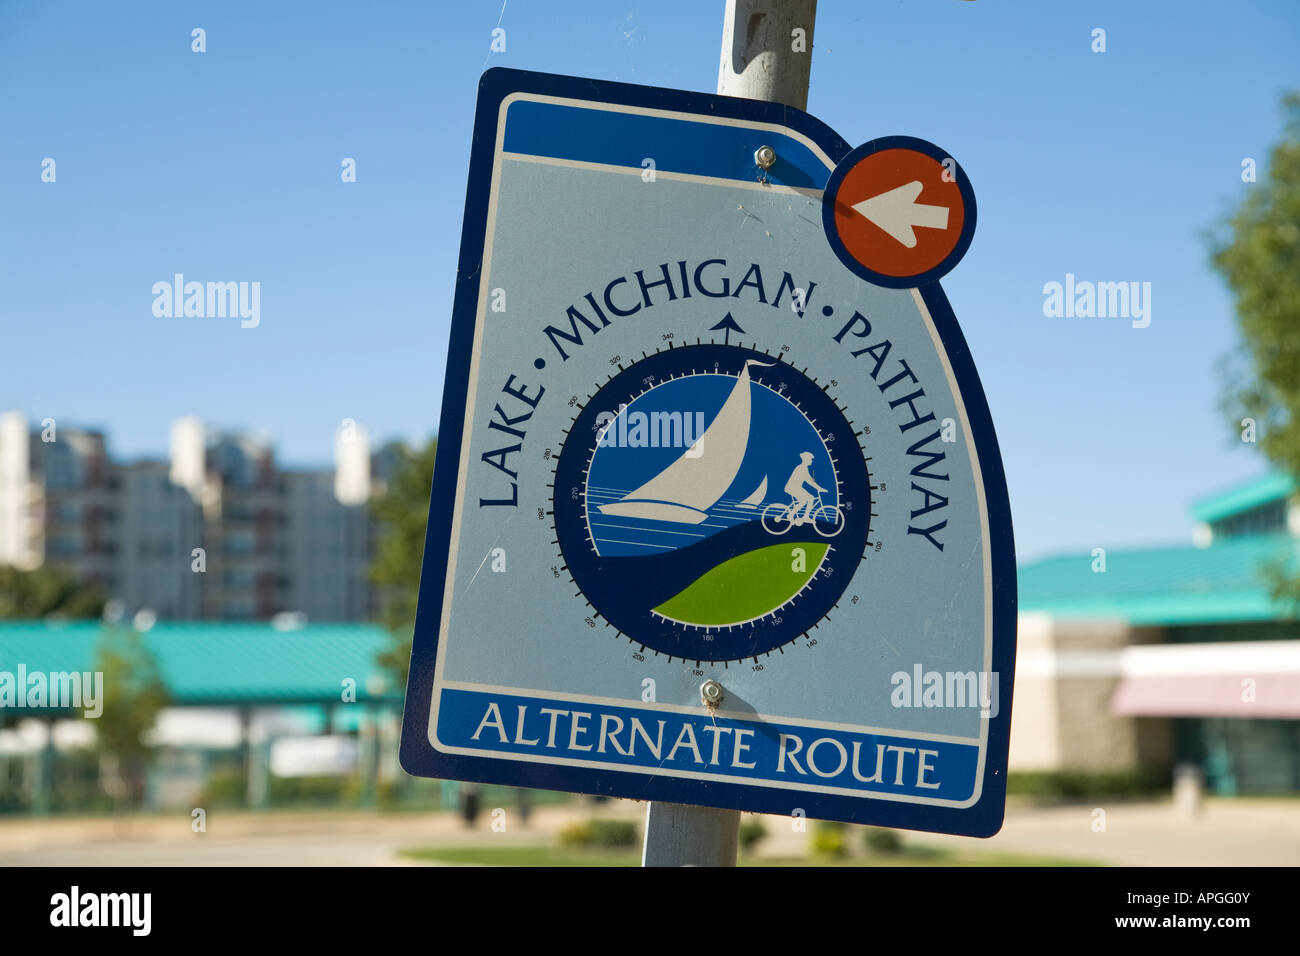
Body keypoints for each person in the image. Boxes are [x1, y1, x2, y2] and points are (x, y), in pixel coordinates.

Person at [783, 452, 827, 525]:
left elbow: (810, 480)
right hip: (792, 488)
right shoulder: (801, 468)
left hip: (796, 487)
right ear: (806, 459)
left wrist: (819, 488)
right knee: (810, 498)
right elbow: (810, 481)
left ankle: (791, 515)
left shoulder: (804, 468)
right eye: (810, 459)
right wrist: (820, 488)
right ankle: (805, 517)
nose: (811, 461)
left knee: (804, 500)